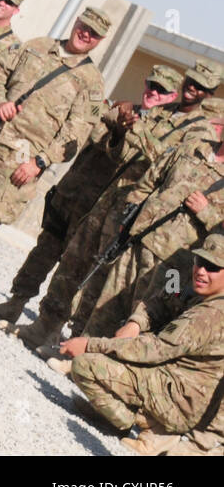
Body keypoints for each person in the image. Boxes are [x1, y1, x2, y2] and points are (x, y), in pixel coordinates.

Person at [0, 64, 185, 329]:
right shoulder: (123, 109)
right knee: (44, 249)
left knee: (73, 268)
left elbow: (141, 160)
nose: (154, 93)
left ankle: (50, 326)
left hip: (98, 208)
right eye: (152, 86)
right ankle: (16, 302)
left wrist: (126, 131)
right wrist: (116, 123)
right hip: (73, 191)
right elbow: (89, 131)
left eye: (162, 91)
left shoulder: (163, 131)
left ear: (171, 97)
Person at [0, 9, 109, 279]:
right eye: (84, 26)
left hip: (23, 159)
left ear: (100, 40)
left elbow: (75, 133)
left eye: (94, 34)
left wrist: (39, 162)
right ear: (76, 21)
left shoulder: (91, 83)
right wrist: (0, 101)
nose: (86, 34)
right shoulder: (37, 45)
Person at [62, 232, 224, 456]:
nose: (202, 271)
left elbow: (154, 350)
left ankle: (149, 427)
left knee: (86, 366)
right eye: (200, 261)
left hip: (181, 398)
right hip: (169, 374)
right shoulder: (186, 279)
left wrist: (90, 344)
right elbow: (162, 301)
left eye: (213, 267)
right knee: (124, 344)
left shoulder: (211, 314)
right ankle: (126, 418)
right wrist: (136, 323)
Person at [79, 113, 224, 340]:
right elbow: (152, 177)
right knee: (107, 306)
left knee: (148, 319)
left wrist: (206, 212)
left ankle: (112, 361)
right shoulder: (194, 146)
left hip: (178, 264)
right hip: (142, 239)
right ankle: (84, 349)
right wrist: (131, 214)